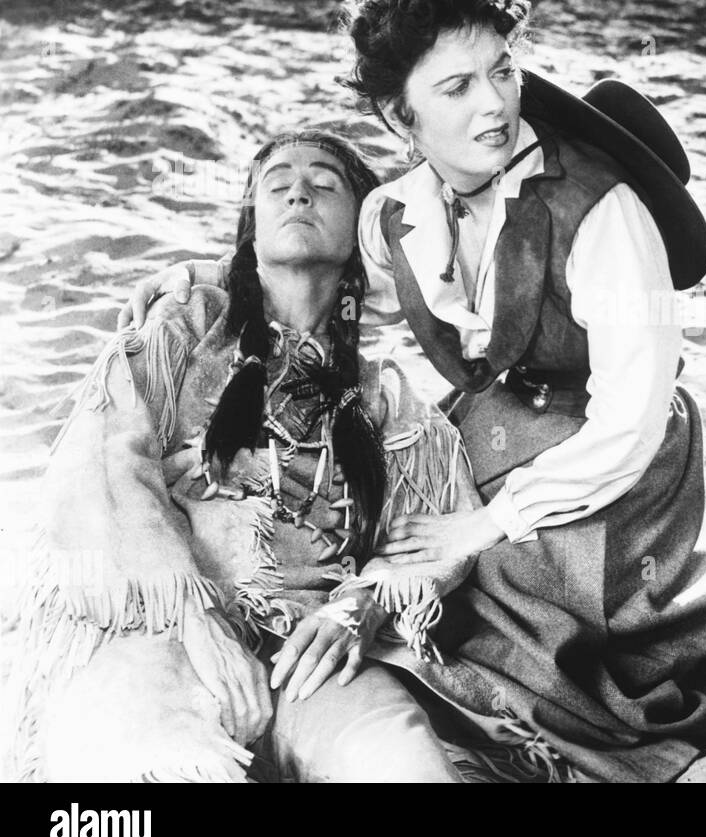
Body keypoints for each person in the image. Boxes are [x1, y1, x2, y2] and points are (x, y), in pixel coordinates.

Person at [120, 0, 706, 783]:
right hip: (486, 435)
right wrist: (199, 276)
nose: (493, 104)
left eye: (502, 69)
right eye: (455, 87)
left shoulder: (603, 212)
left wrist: (477, 527)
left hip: (616, 465)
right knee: (386, 563)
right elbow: (329, 281)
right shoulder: (399, 212)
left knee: (511, 641)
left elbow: (631, 418)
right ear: (398, 118)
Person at [5, 130, 477, 782]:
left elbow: (448, 535)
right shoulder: (184, 325)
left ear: (363, 231)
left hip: (308, 654)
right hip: (161, 634)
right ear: (252, 225)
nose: (297, 186)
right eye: (275, 178)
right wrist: (197, 620)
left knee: (410, 767)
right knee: (135, 786)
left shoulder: (385, 396)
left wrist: (360, 604)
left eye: (326, 180)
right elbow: (103, 470)